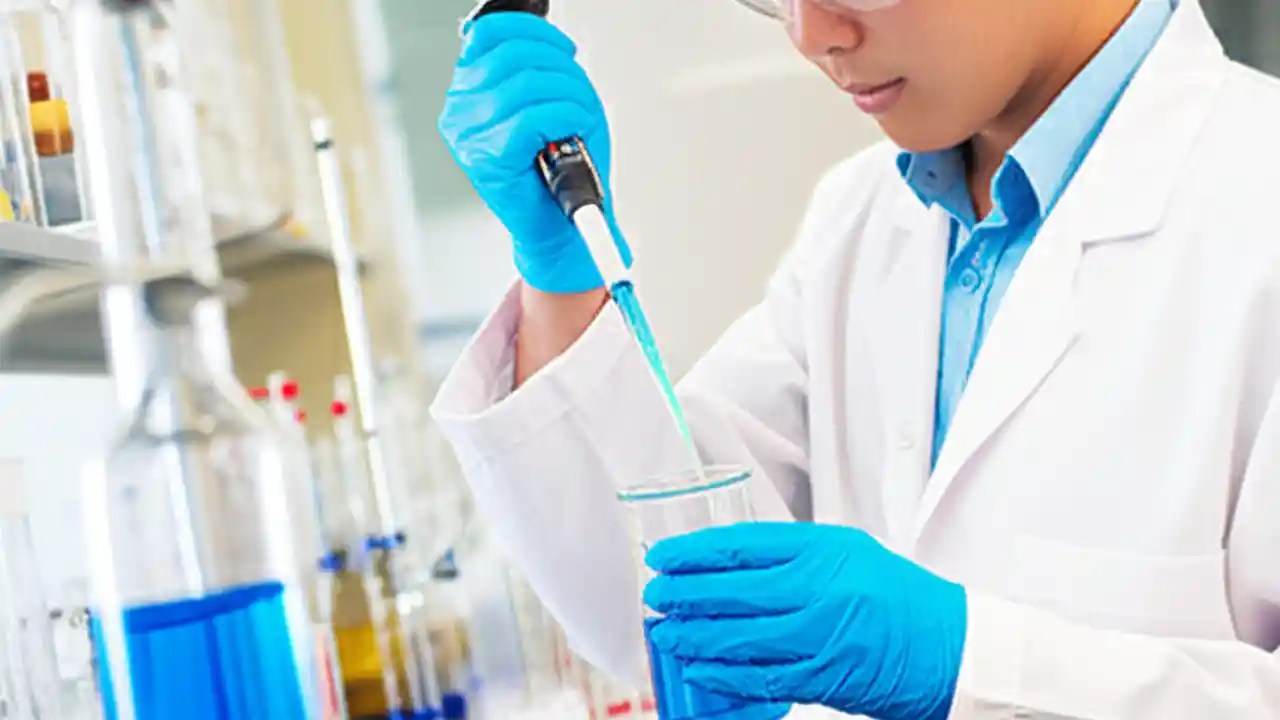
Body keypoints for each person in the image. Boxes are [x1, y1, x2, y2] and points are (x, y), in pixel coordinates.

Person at [433, 0, 1280, 717]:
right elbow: (671, 604)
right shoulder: (861, 220)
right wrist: (563, 278)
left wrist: (970, 664)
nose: (811, 33)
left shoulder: (1256, 202)